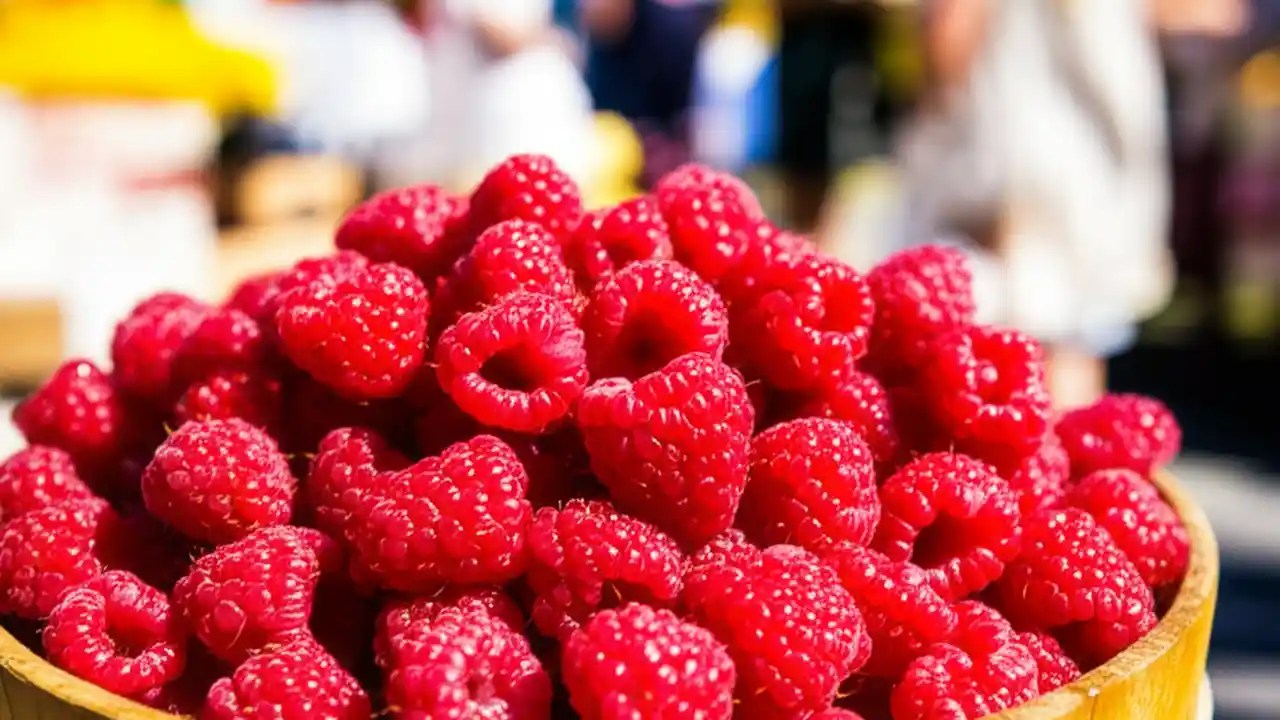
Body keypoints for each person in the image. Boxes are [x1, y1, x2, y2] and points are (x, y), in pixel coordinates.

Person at [898, 0, 1174, 407]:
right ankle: (1071, 456)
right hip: (1092, 138)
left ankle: (1043, 454)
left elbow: (953, 27)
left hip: (1019, 128)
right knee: (1074, 328)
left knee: (1014, 323)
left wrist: (935, 98)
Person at [581, 0, 714, 185]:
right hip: (611, 159)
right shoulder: (597, 39)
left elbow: (688, 121)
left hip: (663, 162)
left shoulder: (673, 33)